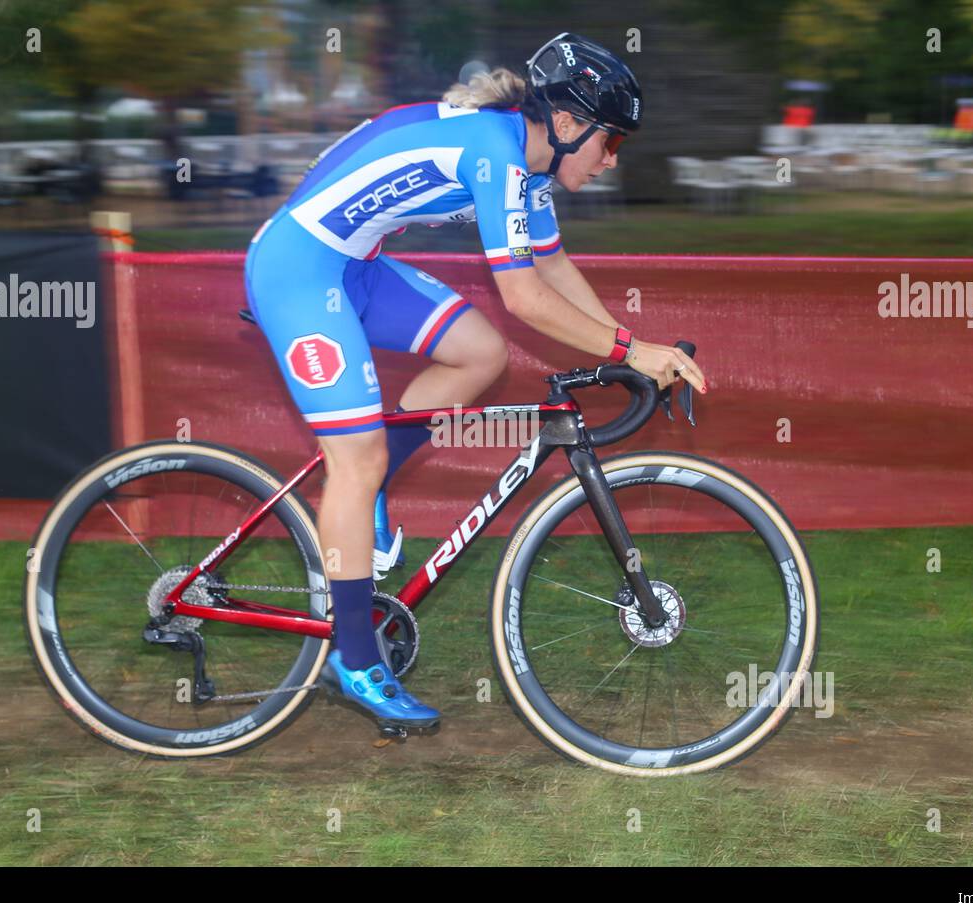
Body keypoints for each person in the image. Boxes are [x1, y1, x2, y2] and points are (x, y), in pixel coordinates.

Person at [243, 32, 708, 734]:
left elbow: (550, 269)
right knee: (356, 458)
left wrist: (619, 349)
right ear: (569, 123)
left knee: (480, 354)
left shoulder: (527, 164)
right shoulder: (498, 156)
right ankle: (356, 657)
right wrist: (632, 348)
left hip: (354, 266)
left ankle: (368, 495)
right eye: (610, 143)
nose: (613, 160)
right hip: (298, 272)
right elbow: (524, 297)